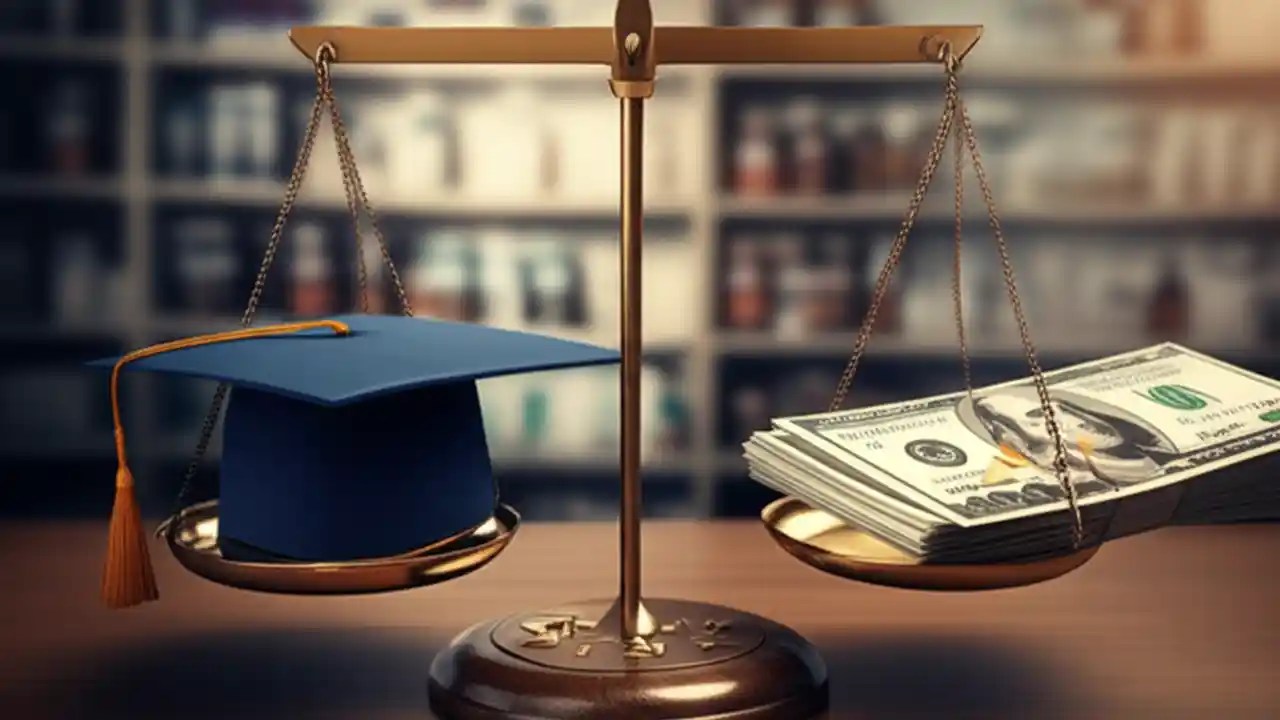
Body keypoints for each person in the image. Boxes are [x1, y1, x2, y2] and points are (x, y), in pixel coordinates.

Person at [969, 389, 1176, 487]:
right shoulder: (1074, 489)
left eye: (1062, 408)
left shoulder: (1177, 458)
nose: (1066, 416)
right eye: (1038, 416)